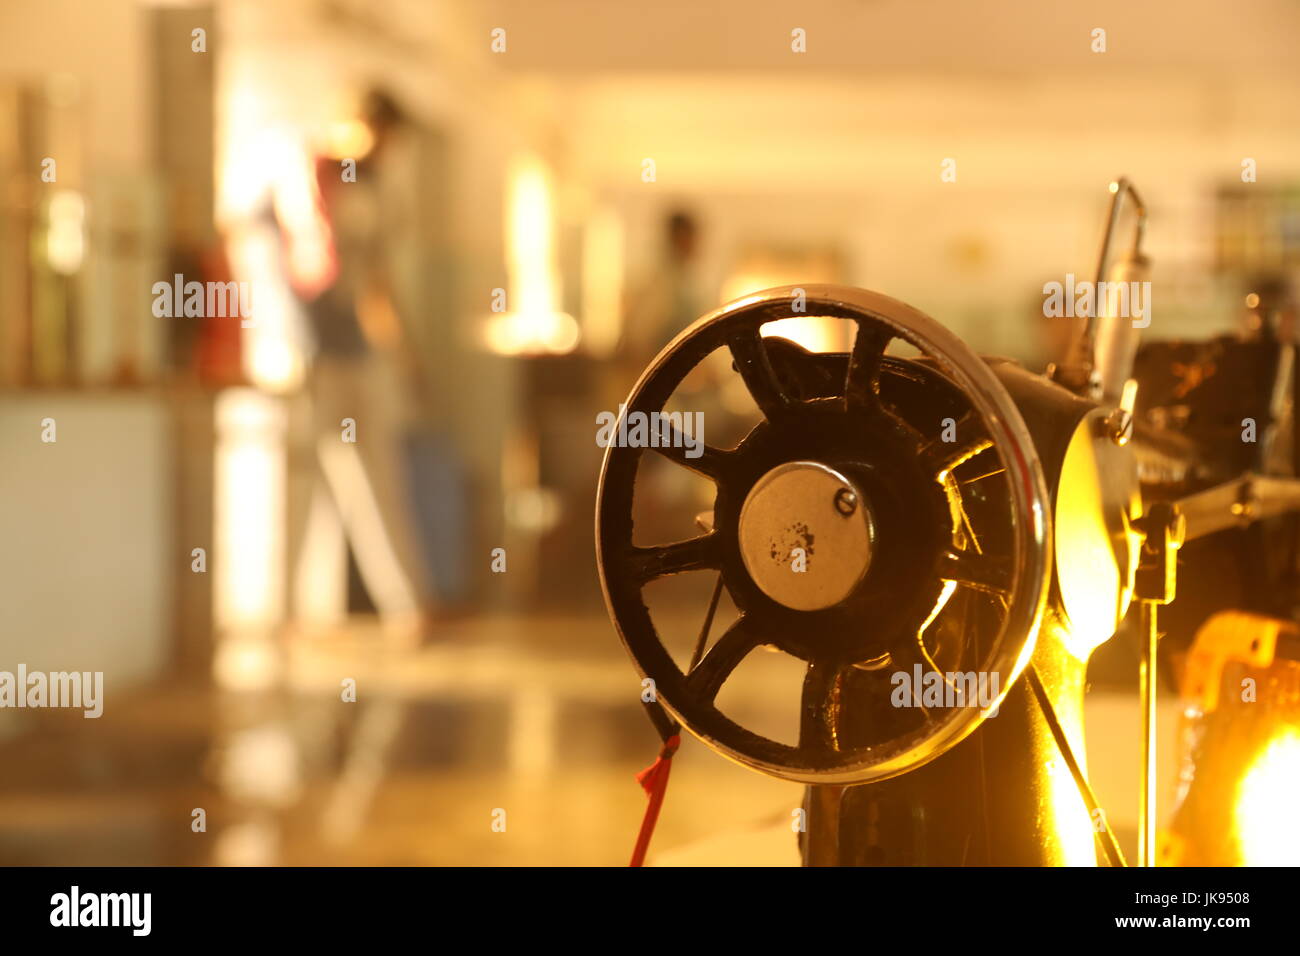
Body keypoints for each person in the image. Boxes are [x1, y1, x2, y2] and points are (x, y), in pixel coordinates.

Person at [277, 87, 437, 644]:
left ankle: (408, 608)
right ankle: (287, 615)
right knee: (305, 486)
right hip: (314, 357)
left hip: (361, 357)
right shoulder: (306, 174)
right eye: (384, 135)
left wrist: (404, 356)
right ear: (362, 122)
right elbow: (301, 263)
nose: (387, 149)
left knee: (376, 483)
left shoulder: (371, 188)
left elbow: (376, 286)